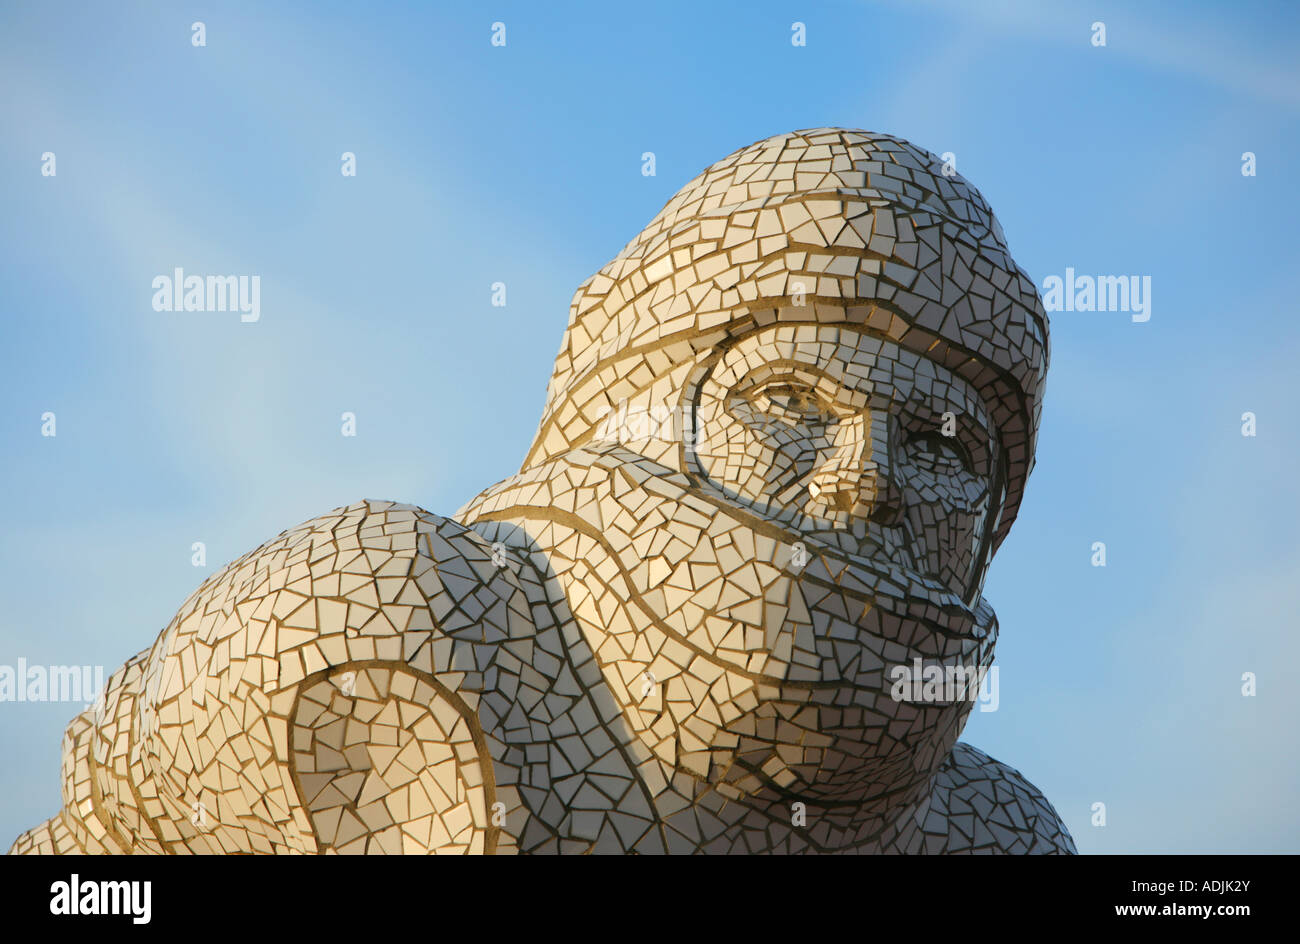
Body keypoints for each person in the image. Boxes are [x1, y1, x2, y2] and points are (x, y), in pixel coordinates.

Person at [11, 128, 1072, 854]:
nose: (866, 476)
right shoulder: (396, 621)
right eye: (787, 399)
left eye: (942, 445)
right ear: (642, 401)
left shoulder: (989, 829)